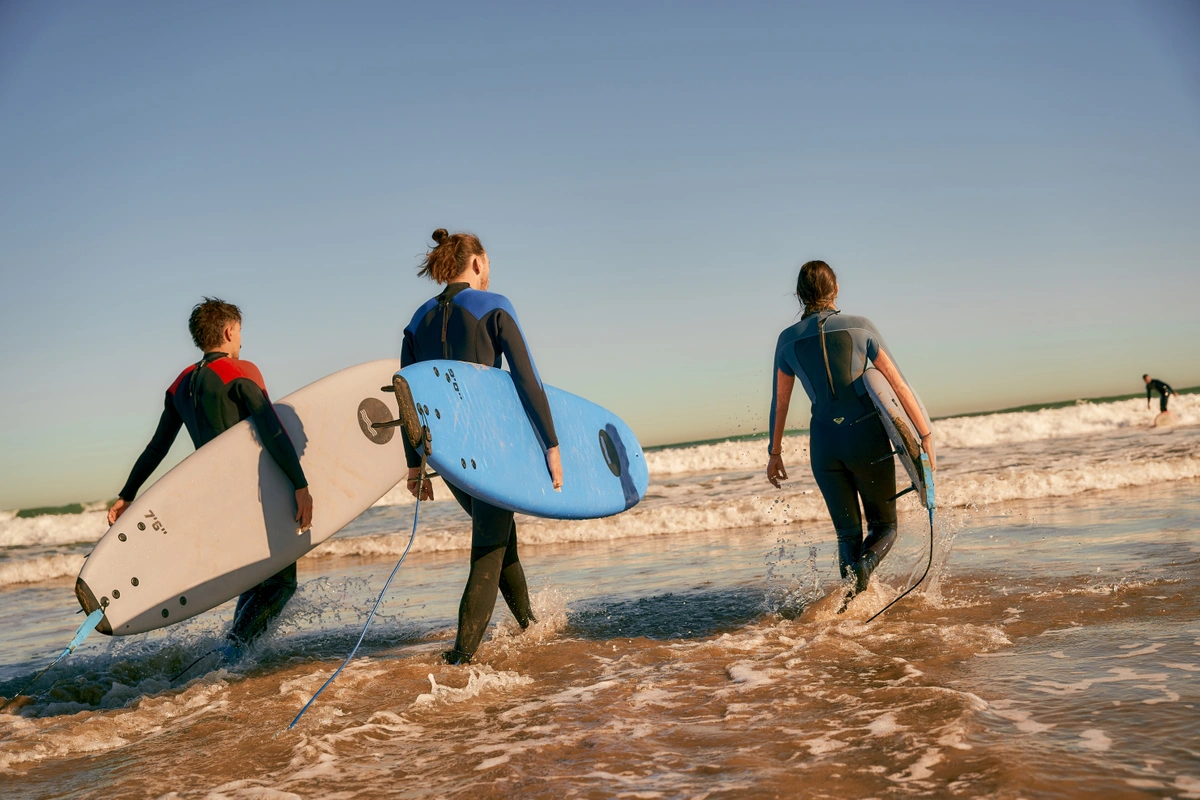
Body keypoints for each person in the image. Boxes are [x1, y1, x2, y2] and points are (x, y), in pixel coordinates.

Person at [108, 298, 314, 657]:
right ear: (228, 330)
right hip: (256, 493)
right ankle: (232, 656)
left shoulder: (181, 385)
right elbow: (272, 430)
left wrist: (127, 494)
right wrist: (300, 484)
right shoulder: (239, 372)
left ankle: (235, 653)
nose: (240, 343)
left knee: (255, 578)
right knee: (281, 581)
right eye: (239, 334)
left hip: (217, 500)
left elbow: (157, 447)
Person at [401, 228, 562, 665]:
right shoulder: (493, 305)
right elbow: (527, 379)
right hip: (492, 449)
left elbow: (407, 398)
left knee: (500, 536)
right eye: (488, 264)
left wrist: (414, 466)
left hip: (450, 457)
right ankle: (461, 657)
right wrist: (551, 443)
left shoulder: (417, 321)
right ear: (477, 262)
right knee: (488, 548)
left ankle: (530, 626)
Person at [765, 261, 935, 599]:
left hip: (824, 446)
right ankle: (865, 568)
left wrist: (775, 452)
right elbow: (896, 385)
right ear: (836, 289)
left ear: (800, 295)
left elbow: (780, 403)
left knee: (847, 535)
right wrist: (924, 436)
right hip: (866, 439)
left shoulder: (787, 341)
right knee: (884, 527)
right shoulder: (861, 328)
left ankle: (849, 608)